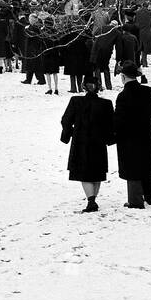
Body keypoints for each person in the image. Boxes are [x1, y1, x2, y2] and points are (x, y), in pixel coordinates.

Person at [60, 77, 116, 212]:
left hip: (81, 141)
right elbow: (111, 125)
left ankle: (91, 201)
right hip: (99, 141)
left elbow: (66, 120)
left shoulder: (76, 101)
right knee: (97, 172)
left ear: (83, 86)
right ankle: (93, 200)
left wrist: (69, 133)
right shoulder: (106, 104)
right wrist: (109, 139)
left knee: (84, 172)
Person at [114, 62, 151, 208]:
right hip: (145, 132)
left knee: (132, 167)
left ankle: (135, 200)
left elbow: (119, 119)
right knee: (146, 163)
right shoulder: (148, 91)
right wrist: (146, 122)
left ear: (123, 77)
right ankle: (150, 196)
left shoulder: (123, 96)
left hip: (128, 136)